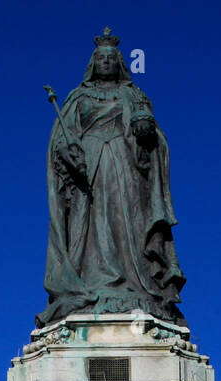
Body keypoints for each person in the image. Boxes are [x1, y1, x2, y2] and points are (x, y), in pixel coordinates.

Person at [38, 28, 185, 326]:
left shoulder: (133, 95)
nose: (106, 63)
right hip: (87, 168)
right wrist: (69, 153)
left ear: (119, 62)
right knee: (86, 228)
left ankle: (135, 285)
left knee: (127, 222)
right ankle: (86, 286)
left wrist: (146, 134)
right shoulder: (78, 97)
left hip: (125, 163)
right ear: (94, 64)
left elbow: (152, 134)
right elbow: (61, 141)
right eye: (101, 58)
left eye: (110, 58)